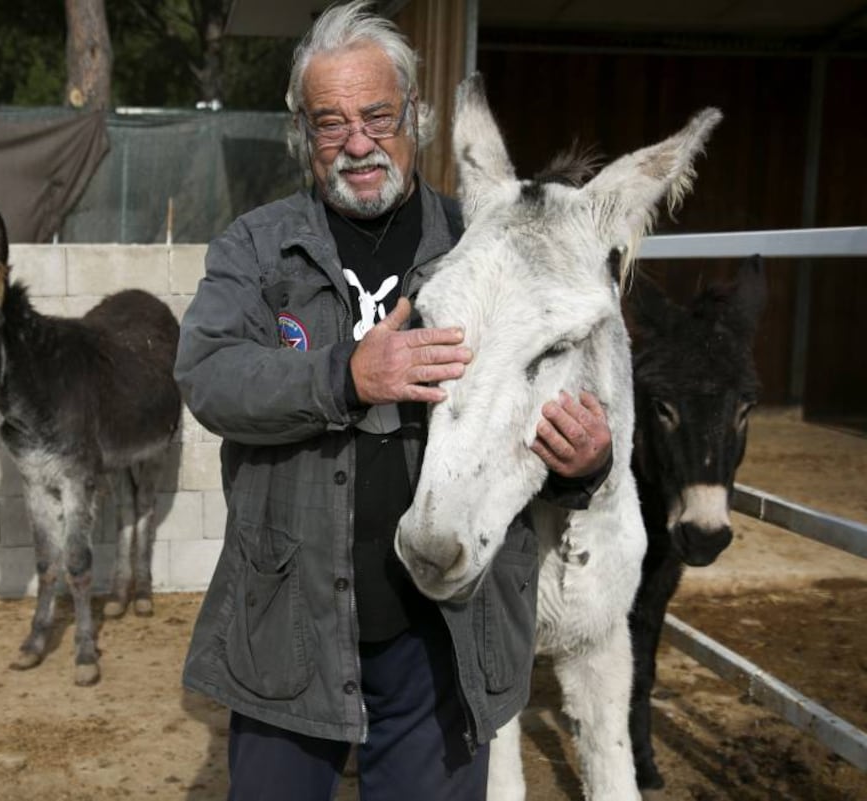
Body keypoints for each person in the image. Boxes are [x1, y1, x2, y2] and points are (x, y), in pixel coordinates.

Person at [174, 3, 613, 799]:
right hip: (290, 625)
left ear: (416, 116)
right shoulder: (256, 248)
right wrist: (344, 375)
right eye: (329, 122)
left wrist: (585, 465)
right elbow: (208, 375)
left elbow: (554, 394)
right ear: (303, 136)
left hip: (445, 632)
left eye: (377, 114)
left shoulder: (483, 241)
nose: (358, 142)